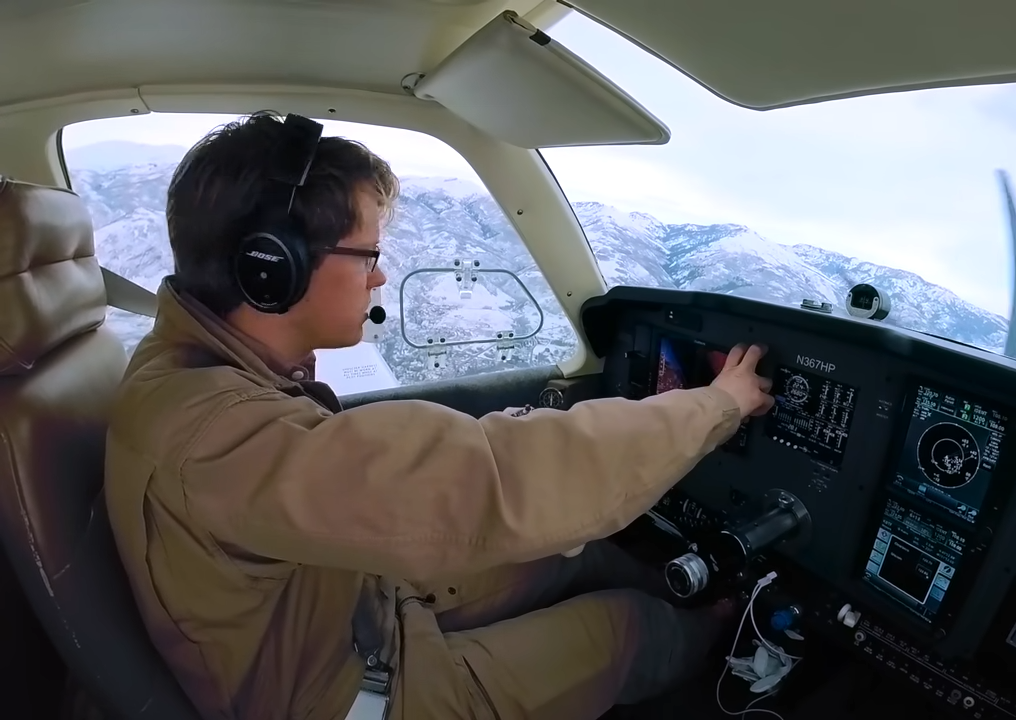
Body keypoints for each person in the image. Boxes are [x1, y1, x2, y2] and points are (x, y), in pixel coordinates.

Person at [103, 110, 776, 720]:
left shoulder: (189, 373)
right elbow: (491, 480)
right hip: (343, 697)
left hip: (334, 609)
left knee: (568, 560)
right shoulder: (210, 435)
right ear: (272, 267)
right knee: (625, 631)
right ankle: (723, 640)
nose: (379, 277)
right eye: (367, 253)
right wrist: (715, 407)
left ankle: (690, 610)